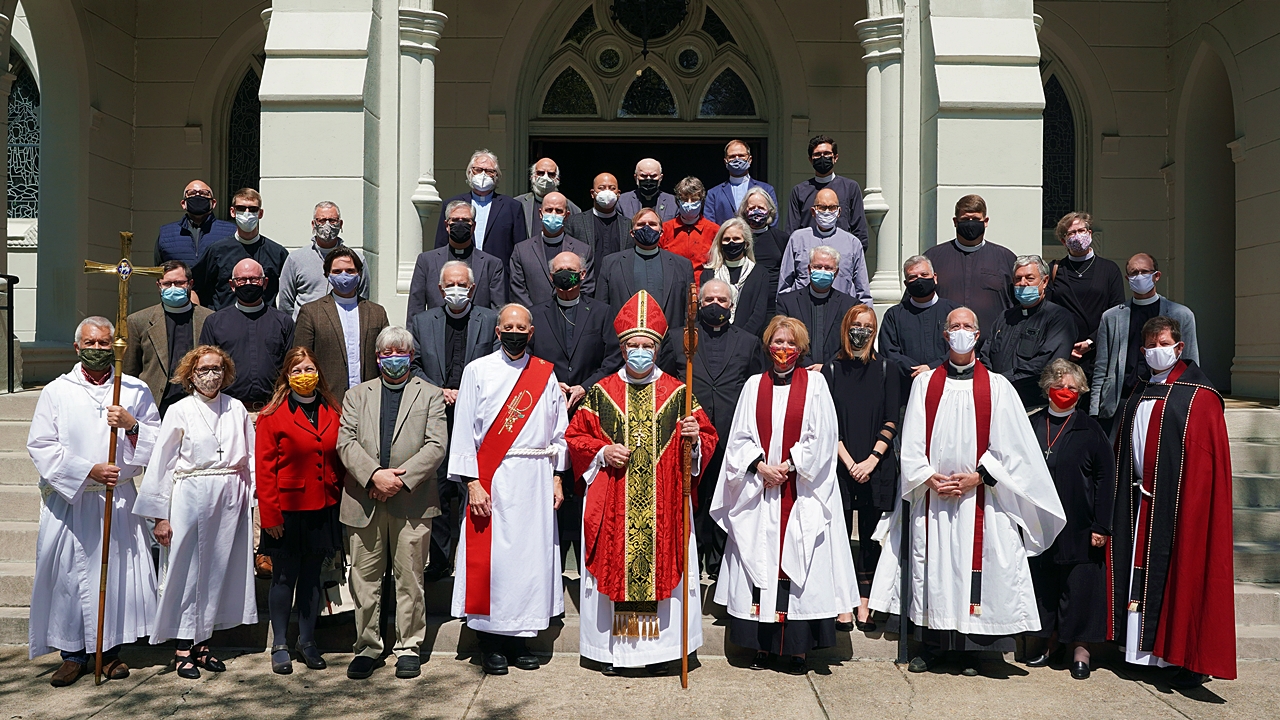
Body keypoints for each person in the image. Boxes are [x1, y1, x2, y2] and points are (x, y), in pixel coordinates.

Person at [868, 307, 1066, 677]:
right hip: (934, 497)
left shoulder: (997, 386)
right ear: (945, 335)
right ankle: (936, 648)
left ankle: (975, 651)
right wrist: (927, 477)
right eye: (954, 326)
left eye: (967, 326)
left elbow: (1014, 447)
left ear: (978, 335)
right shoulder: (925, 384)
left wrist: (980, 476)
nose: (960, 331)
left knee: (979, 566)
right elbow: (910, 442)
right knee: (937, 568)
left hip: (982, 498)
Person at [566, 291, 718, 676]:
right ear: (621, 347)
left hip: (664, 503)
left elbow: (708, 437)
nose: (639, 351)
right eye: (632, 344)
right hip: (614, 501)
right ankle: (619, 654)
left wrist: (693, 437)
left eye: (646, 344)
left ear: (656, 347)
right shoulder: (601, 394)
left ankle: (661, 653)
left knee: (662, 566)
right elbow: (575, 439)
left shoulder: (678, 392)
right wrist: (602, 453)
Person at [712, 315, 857, 674]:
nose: (784, 349)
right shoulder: (752, 386)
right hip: (761, 490)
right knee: (758, 561)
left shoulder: (816, 385)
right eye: (777, 342)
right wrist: (760, 466)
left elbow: (821, 436)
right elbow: (739, 438)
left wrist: (788, 467)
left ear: (802, 348)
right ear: (767, 345)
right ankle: (760, 646)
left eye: (791, 344)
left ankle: (797, 650)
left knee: (800, 557)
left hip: (800, 489)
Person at [28, 317, 161, 686]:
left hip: (116, 501)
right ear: (77, 347)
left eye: (105, 344)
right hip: (72, 502)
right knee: (70, 579)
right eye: (91, 343)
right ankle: (72, 656)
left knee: (115, 575)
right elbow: (41, 444)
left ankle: (110, 653)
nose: (98, 350)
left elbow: (159, 442)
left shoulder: (134, 390)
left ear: (116, 347)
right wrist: (89, 471)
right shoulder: (57, 391)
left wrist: (132, 426)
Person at [1108, 316, 1236, 688]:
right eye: (1149, 345)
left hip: (1178, 506)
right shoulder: (1138, 389)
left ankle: (1177, 655)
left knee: (1179, 572)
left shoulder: (1199, 396)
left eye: (1162, 343)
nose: (1155, 351)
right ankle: (1138, 653)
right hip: (1137, 499)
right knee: (1136, 574)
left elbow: (1204, 464)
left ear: (1179, 347)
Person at [449, 304, 569, 675]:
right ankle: (491, 643)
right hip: (494, 477)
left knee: (528, 561)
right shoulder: (478, 370)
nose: (514, 332)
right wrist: (473, 483)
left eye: (521, 327)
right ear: (498, 331)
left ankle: (521, 641)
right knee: (495, 561)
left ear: (530, 332)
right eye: (508, 327)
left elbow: (558, 430)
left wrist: (557, 476)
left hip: (535, 475)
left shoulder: (545, 375)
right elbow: (465, 430)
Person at [135, 345, 257, 679]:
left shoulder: (235, 409)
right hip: (189, 495)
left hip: (229, 497)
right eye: (203, 369)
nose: (211, 375)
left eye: (217, 368)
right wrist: (159, 515)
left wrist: (252, 499)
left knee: (218, 571)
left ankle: (203, 644)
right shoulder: (179, 409)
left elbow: (251, 457)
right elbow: (162, 463)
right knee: (186, 572)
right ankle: (182, 648)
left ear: (226, 372)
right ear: (191, 374)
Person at [337, 326, 448, 680]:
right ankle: (368, 647)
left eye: (400, 352)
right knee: (365, 579)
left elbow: (436, 446)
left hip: (412, 500)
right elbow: (345, 442)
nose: (393, 358)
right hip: (364, 498)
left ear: (412, 357)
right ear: (377, 357)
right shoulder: (356, 395)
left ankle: (408, 646)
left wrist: (396, 481)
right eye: (387, 353)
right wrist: (374, 476)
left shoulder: (430, 395)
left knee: (409, 578)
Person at [659, 279, 764, 579]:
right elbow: (665, 383)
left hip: (732, 435)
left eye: (722, 300)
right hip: (689, 435)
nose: (715, 305)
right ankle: (691, 560)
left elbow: (754, 387)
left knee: (725, 499)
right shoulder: (680, 338)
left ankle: (719, 567)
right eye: (709, 300)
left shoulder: (748, 342)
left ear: (732, 305)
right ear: (698, 305)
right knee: (692, 498)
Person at [529, 252, 624, 573]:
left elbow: (613, 358)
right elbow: (526, 357)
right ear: (549, 275)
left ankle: (588, 555)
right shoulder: (534, 314)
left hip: (590, 406)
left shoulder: (601, 312)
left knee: (586, 479)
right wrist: (548, 382)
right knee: (553, 478)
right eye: (559, 271)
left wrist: (586, 385)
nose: (565, 276)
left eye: (571, 271)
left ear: (583, 275)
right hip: (547, 405)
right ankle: (551, 556)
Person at [407, 260, 501, 581]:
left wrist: (469, 392)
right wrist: (439, 391)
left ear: (472, 288)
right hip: (435, 418)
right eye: (451, 285)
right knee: (438, 488)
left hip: (477, 420)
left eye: (463, 285)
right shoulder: (422, 322)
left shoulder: (490, 320)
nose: (456, 290)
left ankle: (468, 560)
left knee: (471, 489)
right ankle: (441, 559)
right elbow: (414, 364)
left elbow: (498, 364)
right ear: (440, 288)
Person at [254, 347, 346, 675]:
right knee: (283, 578)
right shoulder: (271, 415)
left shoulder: (333, 409)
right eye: (296, 371)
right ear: (286, 377)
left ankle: (306, 641)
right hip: (287, 510)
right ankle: (279, 642)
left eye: (309, 369)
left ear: (318, 372)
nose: (304, 376)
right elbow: (263, 470)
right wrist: (270, 516)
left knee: (312, 578)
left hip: (323, 507)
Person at [1024, 359, 1114, 681]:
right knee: (1046, 586)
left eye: (1073, 388)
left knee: (1080, 589)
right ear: (1047, 387)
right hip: (1041, 525)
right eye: (1060, 386)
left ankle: (1080, 649)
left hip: (1081, 526)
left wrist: (1102, 526)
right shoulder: (1032, 425)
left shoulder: (1090, 430)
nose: (1065, 392)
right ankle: (1049, 643)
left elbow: (1107, 479)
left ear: (1081, 393)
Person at [823, 305, 900, 632]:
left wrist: (870, 460)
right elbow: (827, 423)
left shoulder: (887, 368)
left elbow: (892, 419)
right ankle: (842, 602)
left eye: (868, 326)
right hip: (840, 464)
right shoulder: (830, 370)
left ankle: (865, 602)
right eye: (856, 325)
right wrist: (850, 461)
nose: (862, 331)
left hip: (876, 465)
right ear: (846, 327)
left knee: (869, 537)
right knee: (837, 535)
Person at [1090, 253, 1199, 434]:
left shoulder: (1181, 314)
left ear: (1156, 275)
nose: (1139, 276)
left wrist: (1190, 403)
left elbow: (1191, 364)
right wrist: (1095, 409)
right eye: (1134, 273)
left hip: (1164, 397)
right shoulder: (1112, 317)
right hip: (1121, 399)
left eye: (1144, 272)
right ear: (1127, 278)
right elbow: (1101, 366)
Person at [294, 248, 390, 405]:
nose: (343, 276)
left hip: (369, 401)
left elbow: (386, 355)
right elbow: (300, 359)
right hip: (326, 403)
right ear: (327, 275)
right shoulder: (311, 312)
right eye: (337, 271)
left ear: (359, 273)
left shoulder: (376, 312)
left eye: (350, 271)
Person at [979, 255, 1077, 409]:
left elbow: (1047, 363)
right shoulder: (1005, 317)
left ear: (1044, 281)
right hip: (997, 401)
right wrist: (990, 380)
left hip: (1033, 406)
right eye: (1018, 279)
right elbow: (987, 353)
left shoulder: (1058, 318)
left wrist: (1003, 380)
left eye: (1029, 278)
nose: (1022, 283)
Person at [199, 258, 296, 412]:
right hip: (228, 411)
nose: (248, 283)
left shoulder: (284, 322)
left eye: (254, 279)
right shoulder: (214, 322)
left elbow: (292, 367)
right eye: (242, 279)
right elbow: (205, 369)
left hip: (274, 410)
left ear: (264, 283)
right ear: (232, 285)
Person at [123, 260, 214, 417]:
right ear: (159, 286)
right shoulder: (138, 321)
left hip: (199, 402)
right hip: (155, 406)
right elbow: (130, 371)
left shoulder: (209, 319)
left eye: (179, 283)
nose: (173, 288)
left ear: (190, 284)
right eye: (167, 283)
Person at [1045, 212, 1125, 380]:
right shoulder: (1054, 270)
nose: (1077, 235)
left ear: (1089, 233)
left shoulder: (1109, 270)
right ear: (1063, 241)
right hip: (1064, 355)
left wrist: (1090, 342)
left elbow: (1117, 312)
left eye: (1081, 230)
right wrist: (1065, 347)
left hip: (1099, 352)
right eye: (1071, 233)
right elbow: (1047, 313)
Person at [922, 194, 1017, 335]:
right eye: (965, 219)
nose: (971, 223)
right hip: (943, 346)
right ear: (955, 221)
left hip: (992, 346)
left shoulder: (1005, 258)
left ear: (986, 221)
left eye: (976, 219)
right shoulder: (933, 257)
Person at [596, 207, 697, 333]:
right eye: (641, 224)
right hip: (623, 342)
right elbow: (601, 308)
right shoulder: (610, 263)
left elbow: (689, 311)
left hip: (669, 344)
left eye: (653, 224)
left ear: (661, 232)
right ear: (632, 232)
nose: (647, 228)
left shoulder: (682, 265)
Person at [191, 188, 290, 310]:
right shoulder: (216, 250)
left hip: (265, 322)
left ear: (260, 213)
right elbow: (194, 285)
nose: (247, 213)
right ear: (233, 211)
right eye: (241, 208)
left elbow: (290, 290)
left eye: (253, 209)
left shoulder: (277, 252)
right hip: (225, 323)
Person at [879, 255, 960, 403]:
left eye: (924, 275)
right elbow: (889, 351)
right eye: (913, 277)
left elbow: (961, 348)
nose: (919, 280)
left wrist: (932, 368)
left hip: (949, 388)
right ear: (906, 283)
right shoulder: (894, 315)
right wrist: (916, 371)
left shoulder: (954, 312)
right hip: (907, 392)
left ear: (934, 277)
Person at [408, 200, 507, 320]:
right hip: (436, 333)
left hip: (478, 335)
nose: (460, 224)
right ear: (446, 225)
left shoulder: (492, 264)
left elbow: (497, 312)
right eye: (455, 220)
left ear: (473, 226)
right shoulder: (426, 261)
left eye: (465, 221)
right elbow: (415, 307)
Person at [777, 187, 872, 304]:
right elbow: (785, 283)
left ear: (839, 212)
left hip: (841, 311)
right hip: (802, 311)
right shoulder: (797, 239)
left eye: (832, 207)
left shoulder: (852, 243)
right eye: (822, 207)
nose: (827, 212)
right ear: (813, 212)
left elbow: (862, 289)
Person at [278, 201, 370, 319]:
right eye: (321, 220)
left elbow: (363, 299)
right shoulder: (295, 259)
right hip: (306, 329)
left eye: (332, 220)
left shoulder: (356, 259)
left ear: (340, 224)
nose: (327, 225)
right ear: (313, 224)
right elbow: (286, 303)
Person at [433, 149, 525, 265]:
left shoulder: (512, 207)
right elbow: (441, 244)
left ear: (496, 175)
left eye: (489, 171)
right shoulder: (452, 205)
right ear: (470, 172)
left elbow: (520, 250)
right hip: (460, 272)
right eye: (478, 170)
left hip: (499, 276)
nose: (483, 175)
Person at [776, 246, 859, 370]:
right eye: (818, 267)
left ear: (836, 273)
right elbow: (783, 339)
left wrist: (826, 367)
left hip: (835, 373)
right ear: (809, 269)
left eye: (828, 268)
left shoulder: (849, 305)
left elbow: (849, 342)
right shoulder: (787, 302)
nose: (823, 271)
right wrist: (807, 365)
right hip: (797, 371)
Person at [509, 191, 596, 307]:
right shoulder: (522, 250)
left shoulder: (583, 250)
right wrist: (536, 315)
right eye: (549, 210)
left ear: (567, 215)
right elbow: (517, 290)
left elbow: (586, 289)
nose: (553, 214)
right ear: (540, 213)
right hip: (534, 319)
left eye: (559, 211)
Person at [785, 135, 868, 248]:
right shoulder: (799, 191)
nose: (822, 157)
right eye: (817, 154)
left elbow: (860, 230)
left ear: (835, 157)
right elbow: (792, 231)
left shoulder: (850, 188)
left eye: (827, 153)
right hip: (808, 257)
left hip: (841, 255)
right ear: (810, 159)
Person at [699, 218, 769, 338]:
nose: (731, 243)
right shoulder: (709, 274)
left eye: (736, 239)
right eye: (726, 239)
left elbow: (759, 314)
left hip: (747, 341)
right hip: (713, 338)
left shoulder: (760, 273)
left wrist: (741, 340)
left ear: (746, 243)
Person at [153, 179, 236, 268]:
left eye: (203, 193)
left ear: (213, 203)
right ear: (183, 204)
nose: (197, 196)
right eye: (192, 193)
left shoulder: (231, 231)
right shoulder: (166, 233)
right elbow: (161, 270)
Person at [739, 187, 789, 317]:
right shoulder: (738, 238)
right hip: (745, 304)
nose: (756, 211)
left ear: (770, 210)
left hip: (773, 306)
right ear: (744, 211)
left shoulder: (781, 238)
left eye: (761, 207)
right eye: (751, 208)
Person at [659, 176, 720, 281]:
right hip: (673, 286)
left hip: (703, 288)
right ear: (677, 201)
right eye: (685, 199)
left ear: (701, 201)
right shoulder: (665, 229)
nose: (689, 203)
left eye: (694, 199)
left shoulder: (714, 230)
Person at [704, 139, 778, 225]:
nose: (737, 159)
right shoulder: (714, 194)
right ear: (725, 161)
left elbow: (773, 221)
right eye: (732, 156)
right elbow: (710, 225)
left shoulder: (766, 190)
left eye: (741, 155)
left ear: (749, 159)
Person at [565, 172, 633, 259]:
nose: (607, 192)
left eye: (612, 188)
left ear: (618, 194)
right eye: (601, 188)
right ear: (592, 193)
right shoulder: (575, 223)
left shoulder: (628, 225)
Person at [514, 157, 582, 237]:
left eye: (551, 174)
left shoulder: (573, 209)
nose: (545, 178)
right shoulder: (517, 204)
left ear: (557, 179)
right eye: (540, 173)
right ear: (532, 177)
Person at [618, 157, 677, 223]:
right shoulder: (622, 201)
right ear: (636, 177)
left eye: (653, 176)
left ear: (661, 178)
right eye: (643, 176)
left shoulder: (674, 202)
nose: (648, 179)